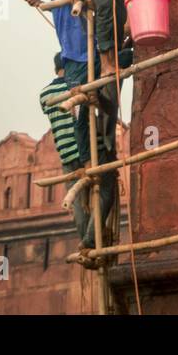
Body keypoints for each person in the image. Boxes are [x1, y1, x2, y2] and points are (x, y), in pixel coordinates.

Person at [39, 53, 113, 249]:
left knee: (79, 202)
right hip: (90, 151)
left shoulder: (45, 94)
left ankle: (86, 241)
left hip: (67, 156)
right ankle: (92, 237)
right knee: (105, 189)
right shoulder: (79, 84)